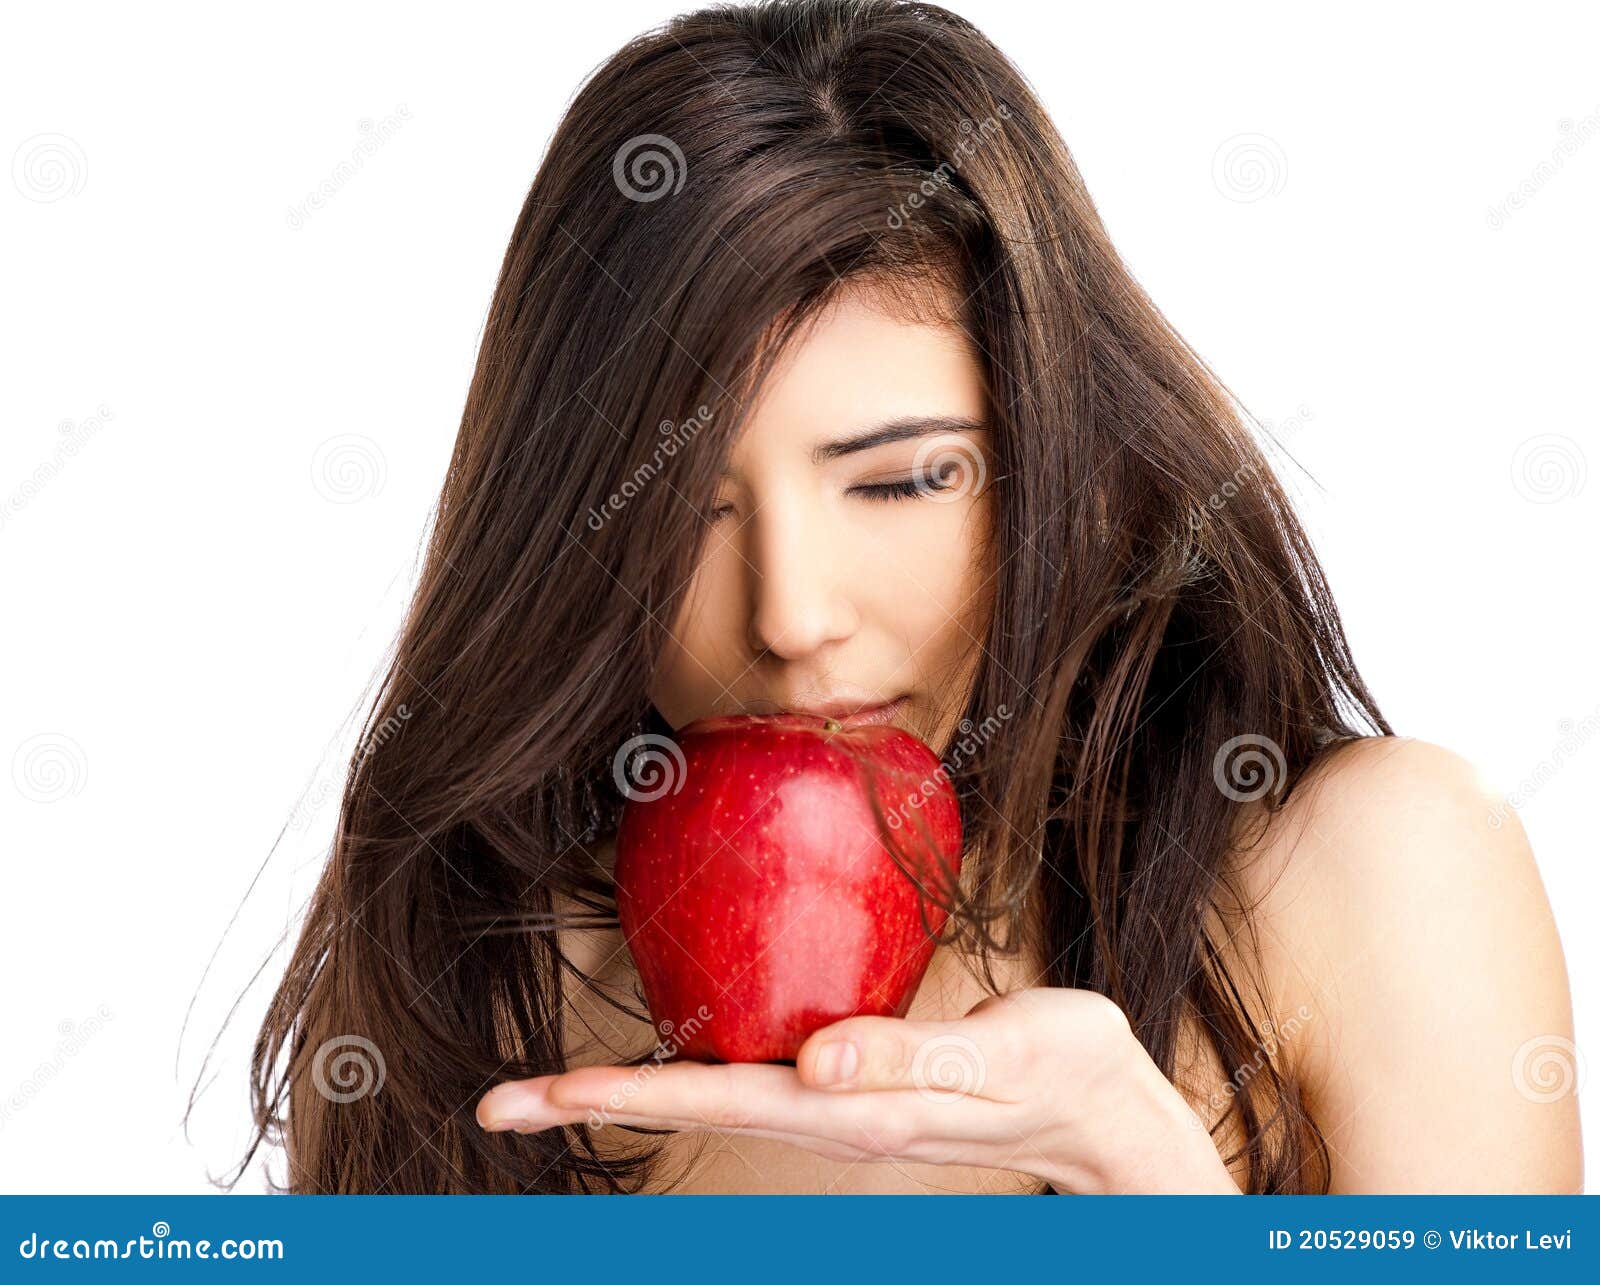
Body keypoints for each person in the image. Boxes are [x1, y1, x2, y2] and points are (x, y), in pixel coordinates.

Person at [237, 0, 1582, 1194]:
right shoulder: (479, 983)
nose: (790, 617)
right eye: (678, 507)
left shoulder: (1369, 878)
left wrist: (1148, 1176)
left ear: (1064, 465)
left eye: (899, 482)